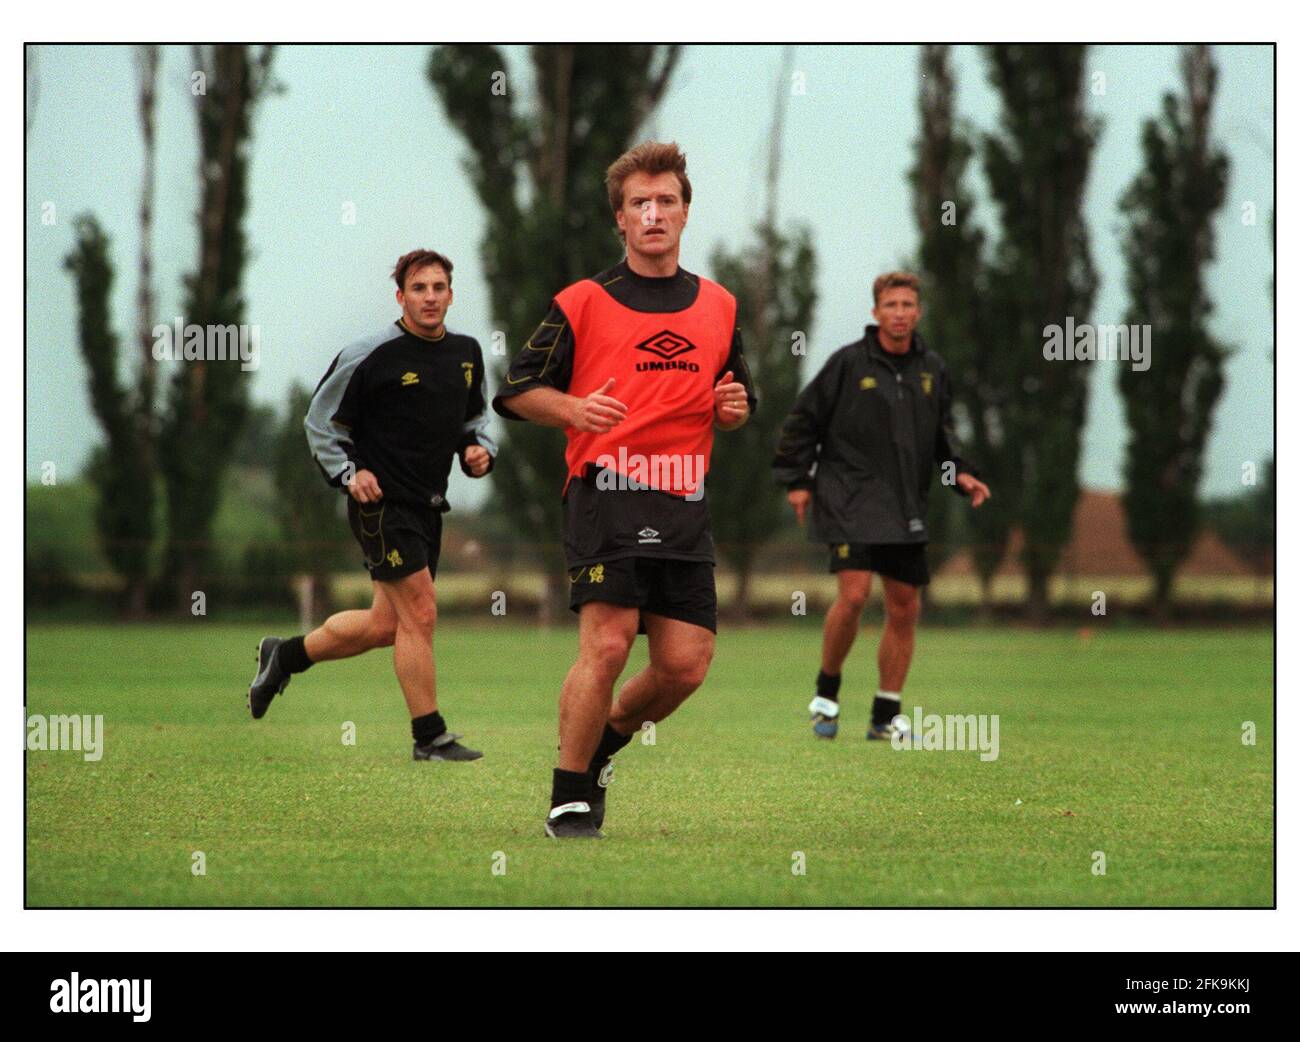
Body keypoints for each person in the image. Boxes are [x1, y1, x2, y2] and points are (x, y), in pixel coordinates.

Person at [494, 141, 756, 838]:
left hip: (683, 497)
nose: (654, 213)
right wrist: (574, 410)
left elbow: (738, 396)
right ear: (620, 219)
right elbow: (517, 391)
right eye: (639, 203)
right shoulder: (583, 301)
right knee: (607, 645)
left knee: (685, 665)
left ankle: (603, 741)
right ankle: (568, 796)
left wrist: (734, 409)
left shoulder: (721, 305)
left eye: (666, 200)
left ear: (686, 210)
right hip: (604, 489)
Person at [246, 249, 495, 762]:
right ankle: (430, 737)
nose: (430, 297)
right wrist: (347, 473)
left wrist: (478, 452)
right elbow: (320, 421)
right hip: (381, 504)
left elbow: (474, 423)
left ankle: (285, 655)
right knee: (421, 614)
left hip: (429, 504)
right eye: (419, 288)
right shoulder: (369, 353)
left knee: (387, 626)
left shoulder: (468, 353)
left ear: (451, 293)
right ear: (400, 296)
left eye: (439, 287)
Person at [772, 272, 990, 740]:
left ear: (918, 312)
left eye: (908, 304)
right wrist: (797, 480)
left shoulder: (932, 369)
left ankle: (885, 716)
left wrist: (960, 473)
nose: (899, 312)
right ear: (875, 313)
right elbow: (802, 420)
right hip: (846, 499)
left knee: (905, 607)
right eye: (890, 304)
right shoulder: (847, 364)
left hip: (905, 504)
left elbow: (944, 434)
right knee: (853, 597)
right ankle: (826, 696)